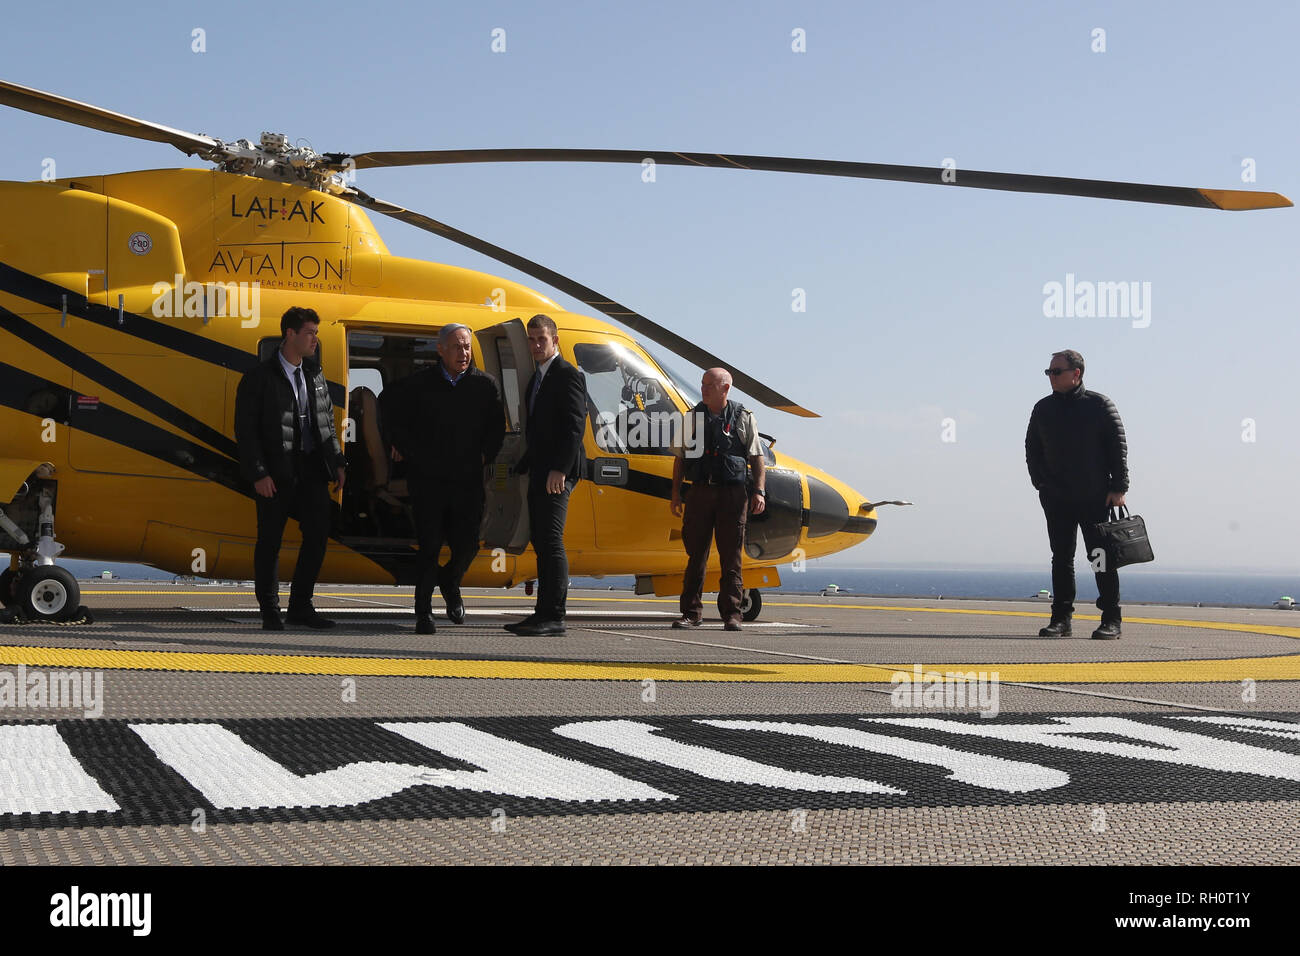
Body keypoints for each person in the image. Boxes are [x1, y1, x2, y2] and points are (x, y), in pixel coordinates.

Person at [382, 324, 505, 634]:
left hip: (466, 481)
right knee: (429, 547)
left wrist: (484, 456)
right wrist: (408, 450)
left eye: (467, 347)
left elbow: (496, 430)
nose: (463, 353)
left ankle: (450, 581)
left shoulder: (485, 386)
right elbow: (391, 415)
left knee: (467, 545)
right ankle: (423, 613)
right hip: (428, 481)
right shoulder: (418, 384)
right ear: (440, 350)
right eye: (456, 347)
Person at [234, 306, 346, 630]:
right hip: (275, 471)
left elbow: (327, 425)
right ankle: (270, 610)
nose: (315, 339)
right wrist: (258, 473)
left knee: (318, 535)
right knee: (270, 541)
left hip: (311, 469)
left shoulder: (315, 374)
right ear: (290, 335)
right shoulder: (259, 378)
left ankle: (300, 606)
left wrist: (338, 462)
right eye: (310, 333)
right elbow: (246, 429)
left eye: (316, 332)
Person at [1025, 350, 1129, 640]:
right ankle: (1061, 619)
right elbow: (1032, 449)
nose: (1051, 377)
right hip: (1056, 497)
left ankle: (1111, 619)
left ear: (1076, 373)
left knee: (1100, 558)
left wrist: (1119, 488)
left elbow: (1117, 448)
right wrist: (1041, 484)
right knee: (1061, 558)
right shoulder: (1042, 408)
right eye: (1049, 372)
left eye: (1056, 372)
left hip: (1095, 496)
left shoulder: (1099, 405)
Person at [504, 314, 586, 637]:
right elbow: (540, 431)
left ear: (555, 341)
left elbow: (574, 426)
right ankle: (541, 613)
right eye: (532, 339)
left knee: (551, 541)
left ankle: (555, 615)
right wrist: (523, 463)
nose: (536, 345)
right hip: (540, 469)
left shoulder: (567, 375)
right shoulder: (536, 378)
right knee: (540, 540)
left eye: (542, 339)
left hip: (557, 473)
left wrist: (560, 470)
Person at [670, 368, 766, 631]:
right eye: (702, 384)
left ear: (725, 389)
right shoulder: (691, 419)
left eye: (709, 385)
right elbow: (679, 458)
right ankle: (691, 613)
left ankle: (732, 614)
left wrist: (759, 491)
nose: (703, 389)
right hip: (700, 492)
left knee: (731, 556)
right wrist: (675, 493)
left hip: (732, 495)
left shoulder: (743, 417)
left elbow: (757, 458)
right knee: (695, 555)